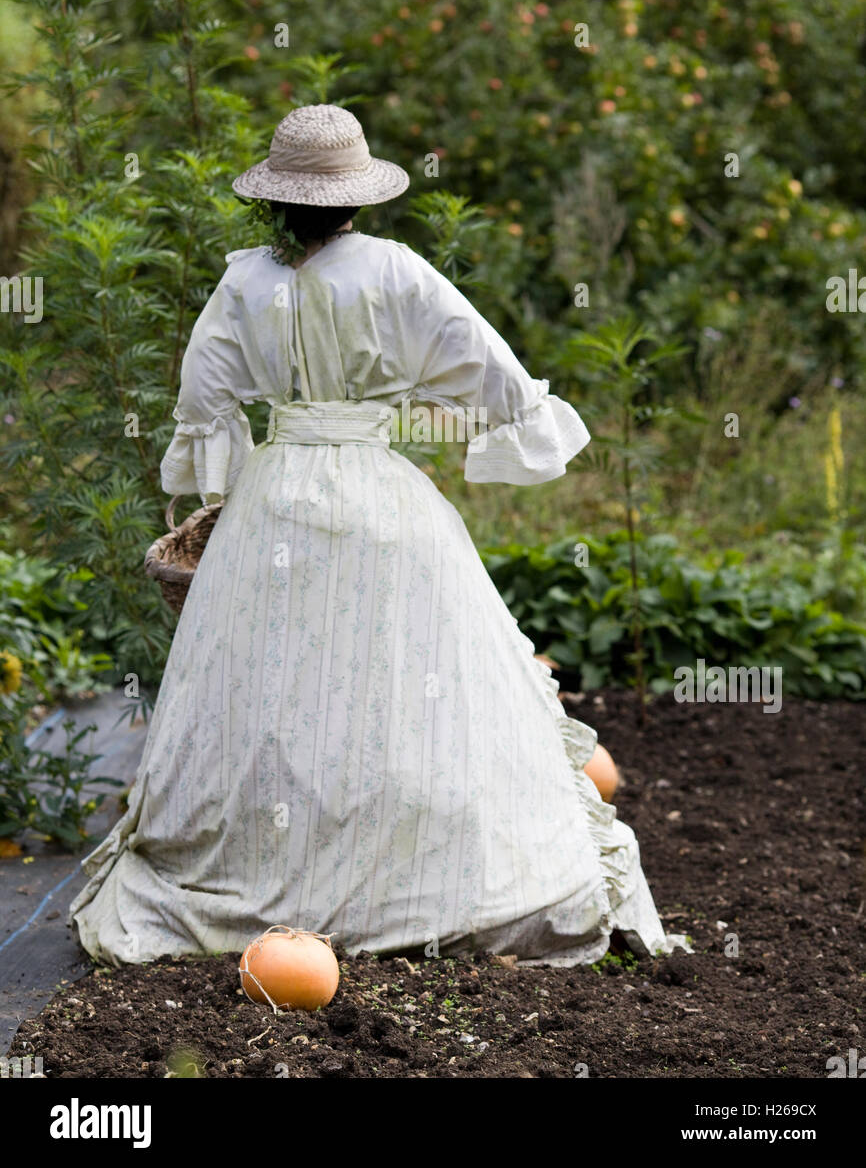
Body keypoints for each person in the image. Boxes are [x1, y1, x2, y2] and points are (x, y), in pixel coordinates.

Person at [69, 104, 679, 967]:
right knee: (405, 686)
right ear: (358, 198)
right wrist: (471, 421)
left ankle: (270, 879)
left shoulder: (244, 284)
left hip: (272, 501)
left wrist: (220, 494)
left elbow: (204, 412)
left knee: (277, 692)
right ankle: (414, 875)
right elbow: (498, 378)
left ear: (277, 206)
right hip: (381, 502)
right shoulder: (397, 274)